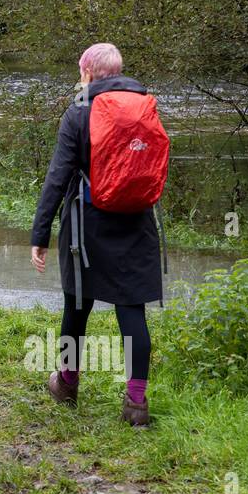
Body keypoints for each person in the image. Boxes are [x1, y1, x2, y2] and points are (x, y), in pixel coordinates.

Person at [29, 43, 164, 426]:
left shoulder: (79, 110)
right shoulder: (145, 106)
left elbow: (57, 178)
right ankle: (136, 403)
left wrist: (40, 234)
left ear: (88, 73)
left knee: (76, 306)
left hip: (86, 223)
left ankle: (67, 384)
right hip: (137, 220)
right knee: (132, 311)